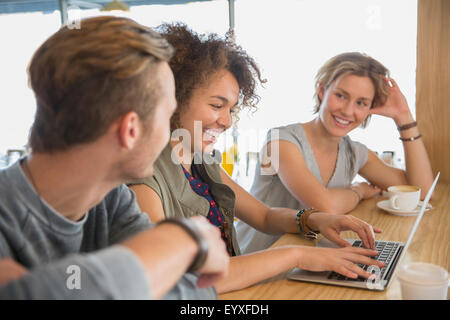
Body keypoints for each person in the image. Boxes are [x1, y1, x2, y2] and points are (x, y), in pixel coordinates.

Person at [129, 24, 385, 294]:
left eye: (231, 109)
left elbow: (263, 215)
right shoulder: (143, 176)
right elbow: (182, 279)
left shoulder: (198, 161)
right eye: (217, 106)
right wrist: (297, 255)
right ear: (174, 97)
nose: (227, 122)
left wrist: (314, 220)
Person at [0, 16, 230, 299]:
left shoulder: (111, 200)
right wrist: (181, 239)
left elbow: (196, 291)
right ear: (130, 130)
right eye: (167, 115)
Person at [236, 52, 434, 253]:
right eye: (341, 96)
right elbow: (325, 208)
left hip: (307, 261)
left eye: (361, 103)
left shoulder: (354, 152)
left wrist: (404, 118)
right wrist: (359, 191)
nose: (348, 111)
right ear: (322, 90)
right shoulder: (280, 141)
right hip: (257, 262)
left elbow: (422, 192)